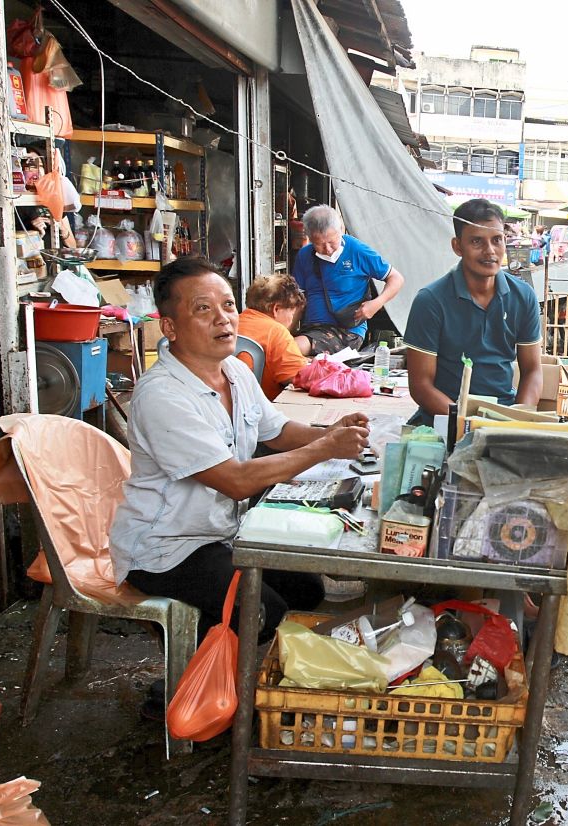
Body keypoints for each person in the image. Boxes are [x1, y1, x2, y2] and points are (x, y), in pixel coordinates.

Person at [109, 257, 371, 695]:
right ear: (169, 327)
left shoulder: (234, 370)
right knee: (261, 608)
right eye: (203, 309)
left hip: (220, 534)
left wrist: (332, 431)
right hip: (167, 548)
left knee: (305, 589)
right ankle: (189, 689)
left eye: (228, 305)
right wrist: (324, 449)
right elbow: (235, 480)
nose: (223, 318)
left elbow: (279, 430)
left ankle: (222, 675)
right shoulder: (162, 396)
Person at [405, 198, 543, 419]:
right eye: (477, 242)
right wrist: (464, 422)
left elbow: (533, 371)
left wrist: (517, 420)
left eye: (497, 240)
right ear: (457, 246)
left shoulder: (523, 296)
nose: (490, 251)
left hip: (502, 416)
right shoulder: (430, 301)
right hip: (444, 417)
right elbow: (421, 386)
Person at [293, 205, 405, 356]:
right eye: (319, 244)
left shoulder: (357, 250)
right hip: (311, 329)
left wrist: (375, 304)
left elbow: (396, 279)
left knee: (293, 349)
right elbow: (298, 299)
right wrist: (287, 331)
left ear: (340, 229)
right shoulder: (304, 255)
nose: (327, 249)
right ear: (310, 237)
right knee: (284, 347)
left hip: (347, 332)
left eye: (332, 242)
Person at [236, 275, 310, 401]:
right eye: (292, 313)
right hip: (260, 411)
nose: (292, 320)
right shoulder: (277, 332)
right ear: (276, 309)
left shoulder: (232, 323)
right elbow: (301, 378)